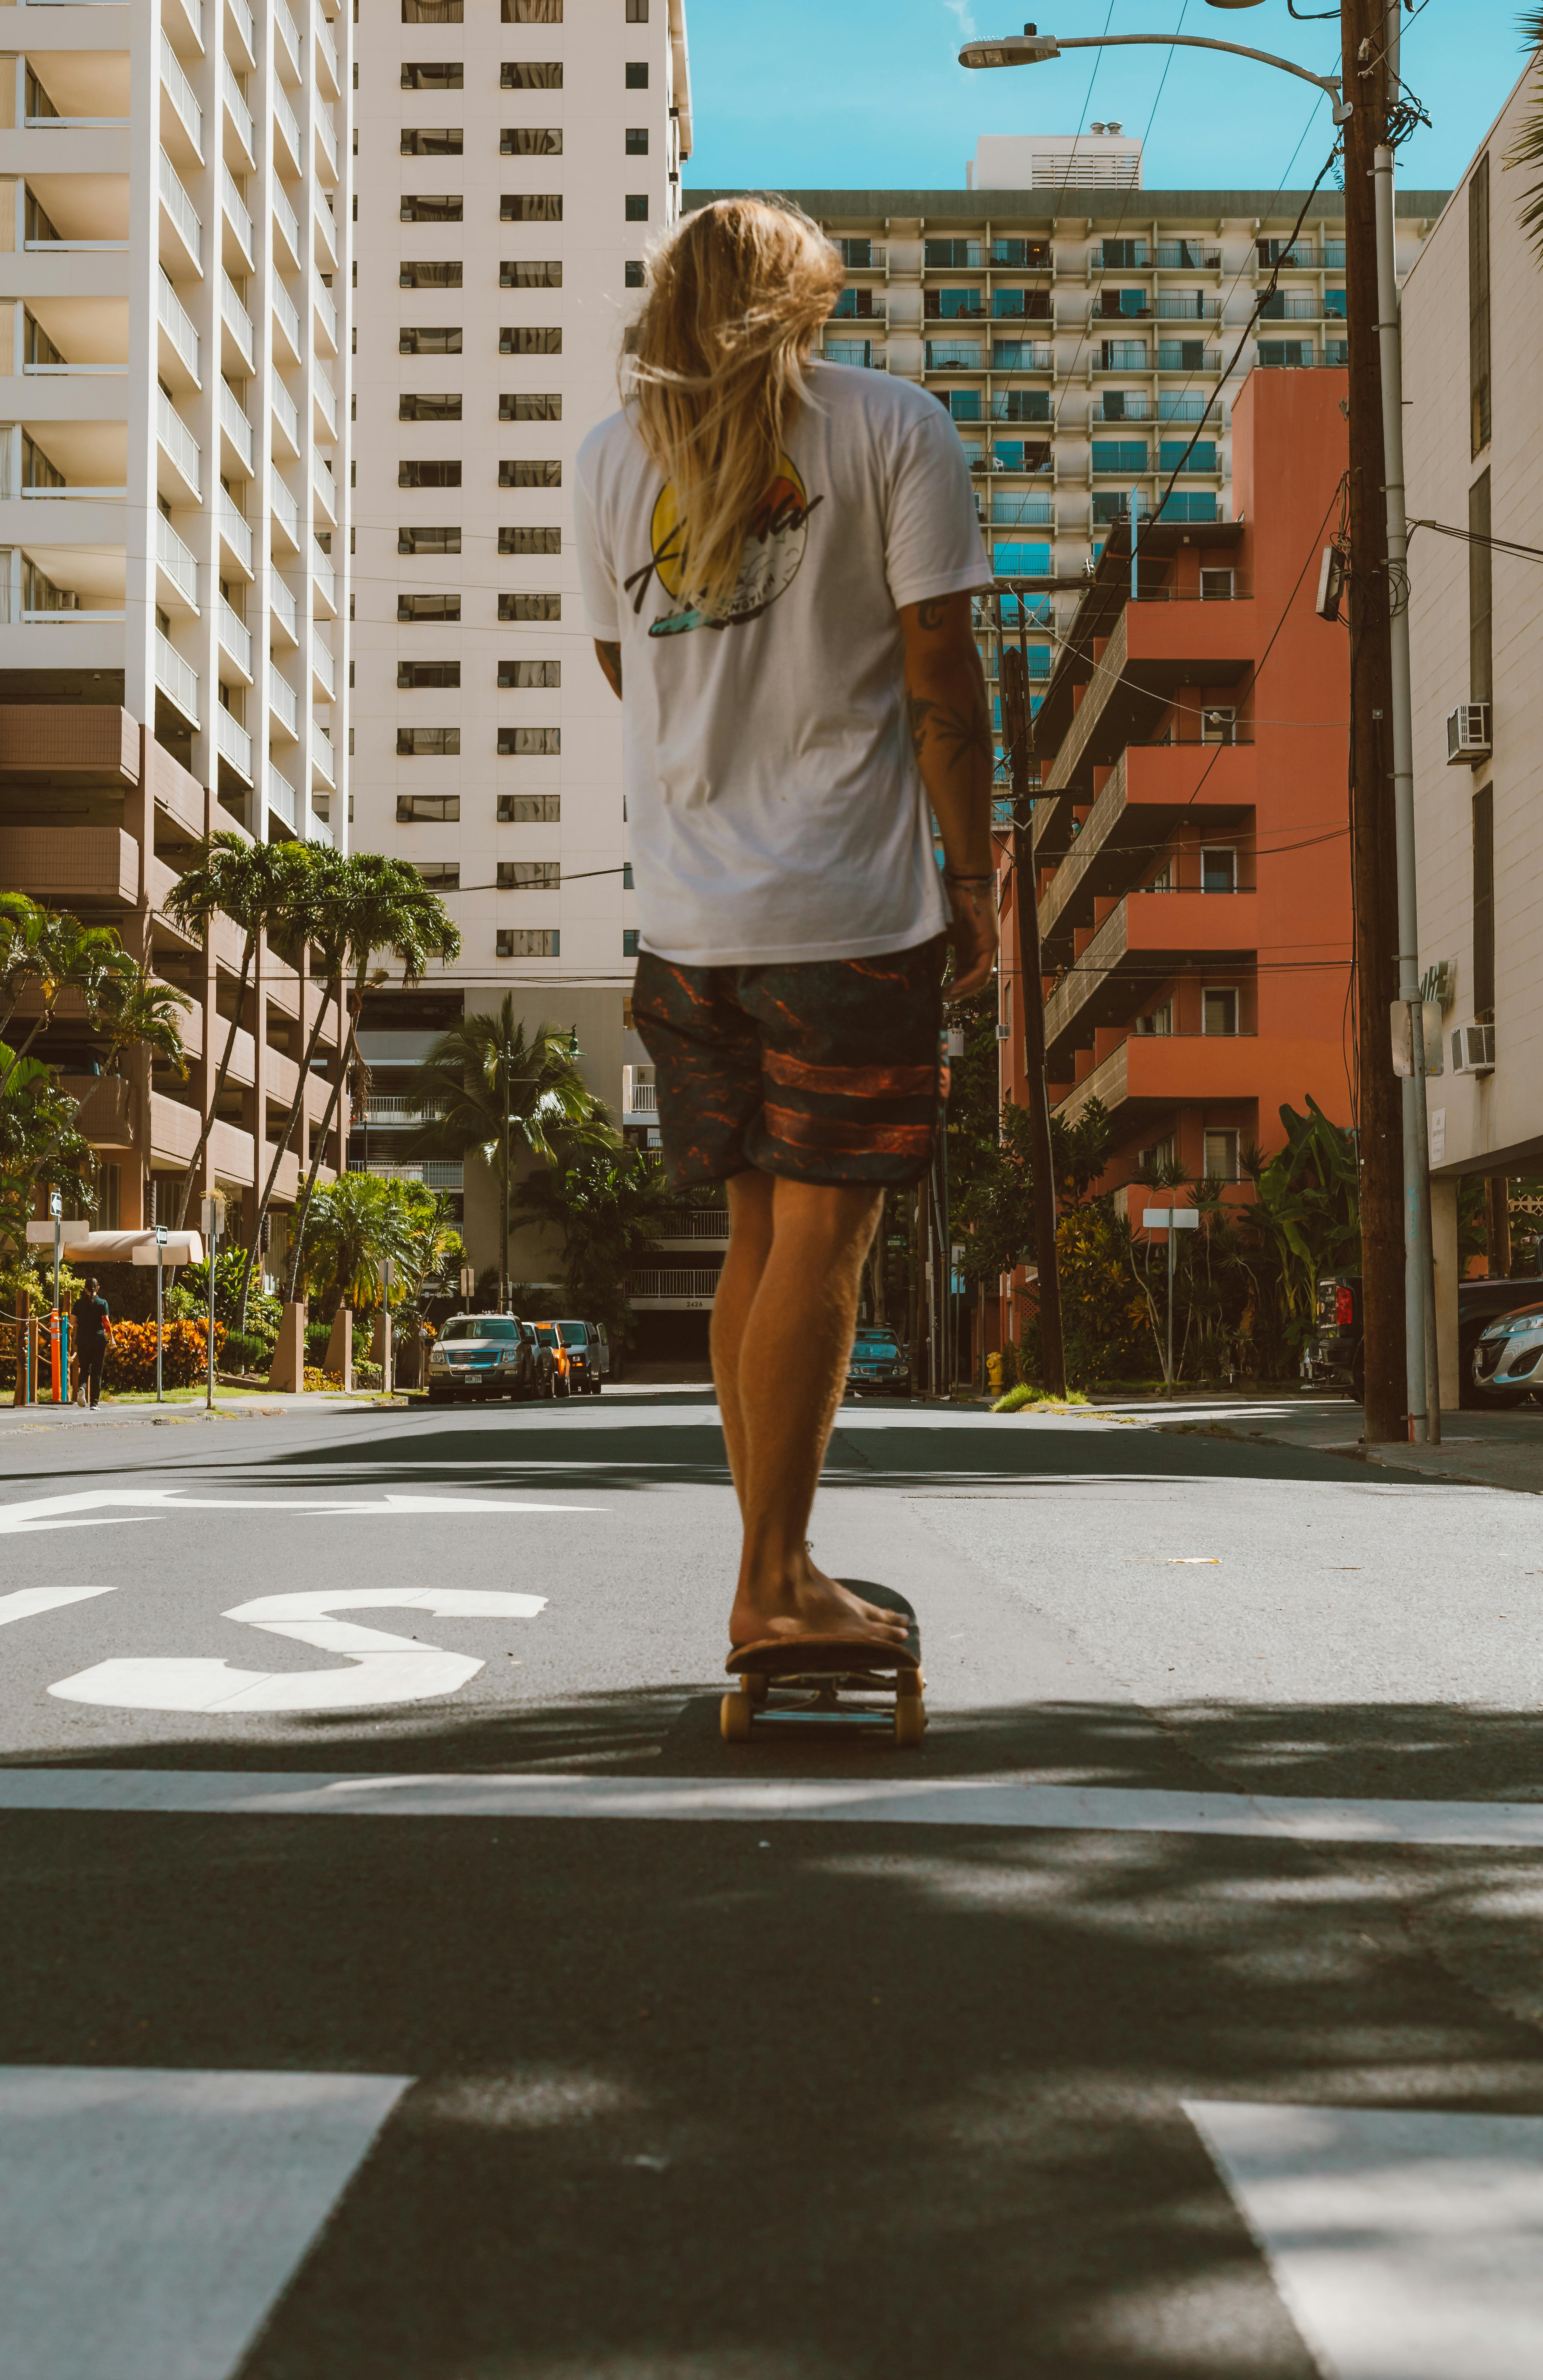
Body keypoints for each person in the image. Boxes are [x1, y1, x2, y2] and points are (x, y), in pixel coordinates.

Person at [574, 198, 998, 1654]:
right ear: (803, 298)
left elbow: (628, 673)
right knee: (822, 1247)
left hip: (689, 920)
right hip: (847, 909)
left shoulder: (606, 462)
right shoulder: (893, 425)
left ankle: (778, 1566)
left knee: (759, 1238)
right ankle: (772, 1585)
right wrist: (978, 871)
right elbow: (942, 666)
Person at [72, 1275, 110, 1409]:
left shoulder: (78, 1303)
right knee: (97, 1372)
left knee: (84, 1368)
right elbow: (106, 1322)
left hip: (83, 1340)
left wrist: (81, 1322)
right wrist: (111, 1338)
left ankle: (82, 1388)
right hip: (99, 1340)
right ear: (98, 1289)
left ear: (85, 1289)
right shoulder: (103, 1303)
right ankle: (94, 1403)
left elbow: (72, 1321)